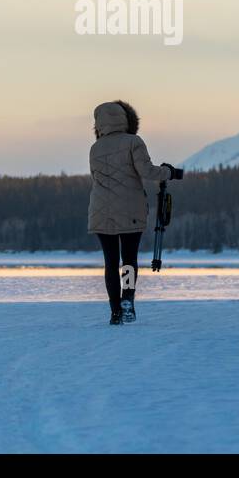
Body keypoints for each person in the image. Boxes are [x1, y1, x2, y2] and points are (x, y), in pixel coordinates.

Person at [87, 100, 184, 325]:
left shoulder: (95, 148)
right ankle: (127, 300)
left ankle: (114, 313)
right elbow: (147, 171)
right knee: (129, 259)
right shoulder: (133, 142)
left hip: (100, 211)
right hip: (130, 209)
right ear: (127, 120)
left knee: (110, 263)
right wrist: (170, 173)